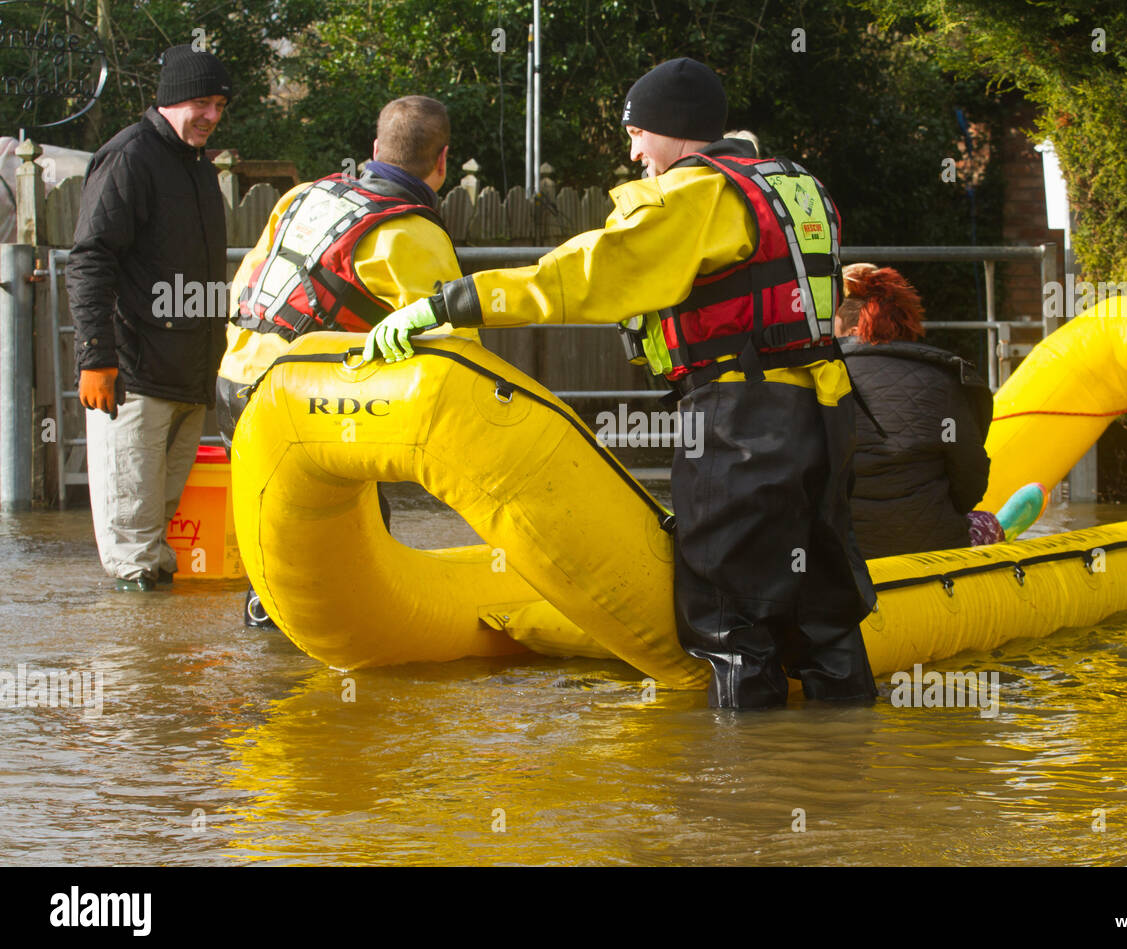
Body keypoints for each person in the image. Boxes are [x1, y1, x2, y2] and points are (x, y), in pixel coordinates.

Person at [364, 58, 877, 709]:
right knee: (827, 615)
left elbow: (580, 278)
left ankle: (746, 796)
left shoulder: (693, 197)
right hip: (826, 414)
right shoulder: (796, 184)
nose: (632, 150)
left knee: (730, 623)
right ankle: (854, 780)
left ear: (676, 129)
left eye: (638, 133)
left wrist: (446, 305)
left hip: (742, 421)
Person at [219, 94, 476, 627]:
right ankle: (344, 666)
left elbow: (247, 285)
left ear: (375, 149)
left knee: (276, 540)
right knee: (353, 542)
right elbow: (461, 358)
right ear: (443, 161)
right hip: (307, 403)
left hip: (235, 383)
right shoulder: (415, 234)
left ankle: (268, 637)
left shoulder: (302, 195)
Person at [70, 44, 231, 591]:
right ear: (169, 101)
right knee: (133, 548)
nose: (211, 115)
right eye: (200, 103)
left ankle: (160, 668)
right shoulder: (129, 157)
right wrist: (96, 355)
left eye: (219, 105)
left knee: (158, 534)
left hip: (187, 379)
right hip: (132, 379)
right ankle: (133, 670)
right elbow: (90, 257)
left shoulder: (199, 169)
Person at [835, 263, 1046, 560]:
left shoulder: (818, 380)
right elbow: (970, 479)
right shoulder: (943, 381)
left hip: (839, 548)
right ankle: (999, 529)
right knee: (981, 521)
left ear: (854, 329)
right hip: (929, 543)